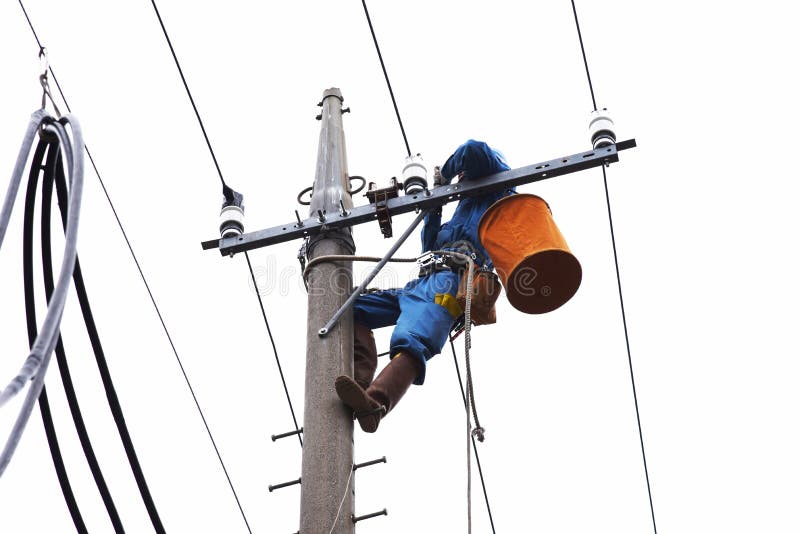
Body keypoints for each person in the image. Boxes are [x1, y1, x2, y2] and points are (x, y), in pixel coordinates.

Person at [334, 139, 515, 432]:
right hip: (423, 282)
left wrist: (444, 175)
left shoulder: (498, 187)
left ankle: (375, 404)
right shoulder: (464, 208)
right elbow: (429, 244)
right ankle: (360, 381)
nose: (462, 178)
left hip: (451, 282)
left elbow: (473, 150)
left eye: (464, 175)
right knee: (350, 309)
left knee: (412, 337)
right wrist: (434, 204)